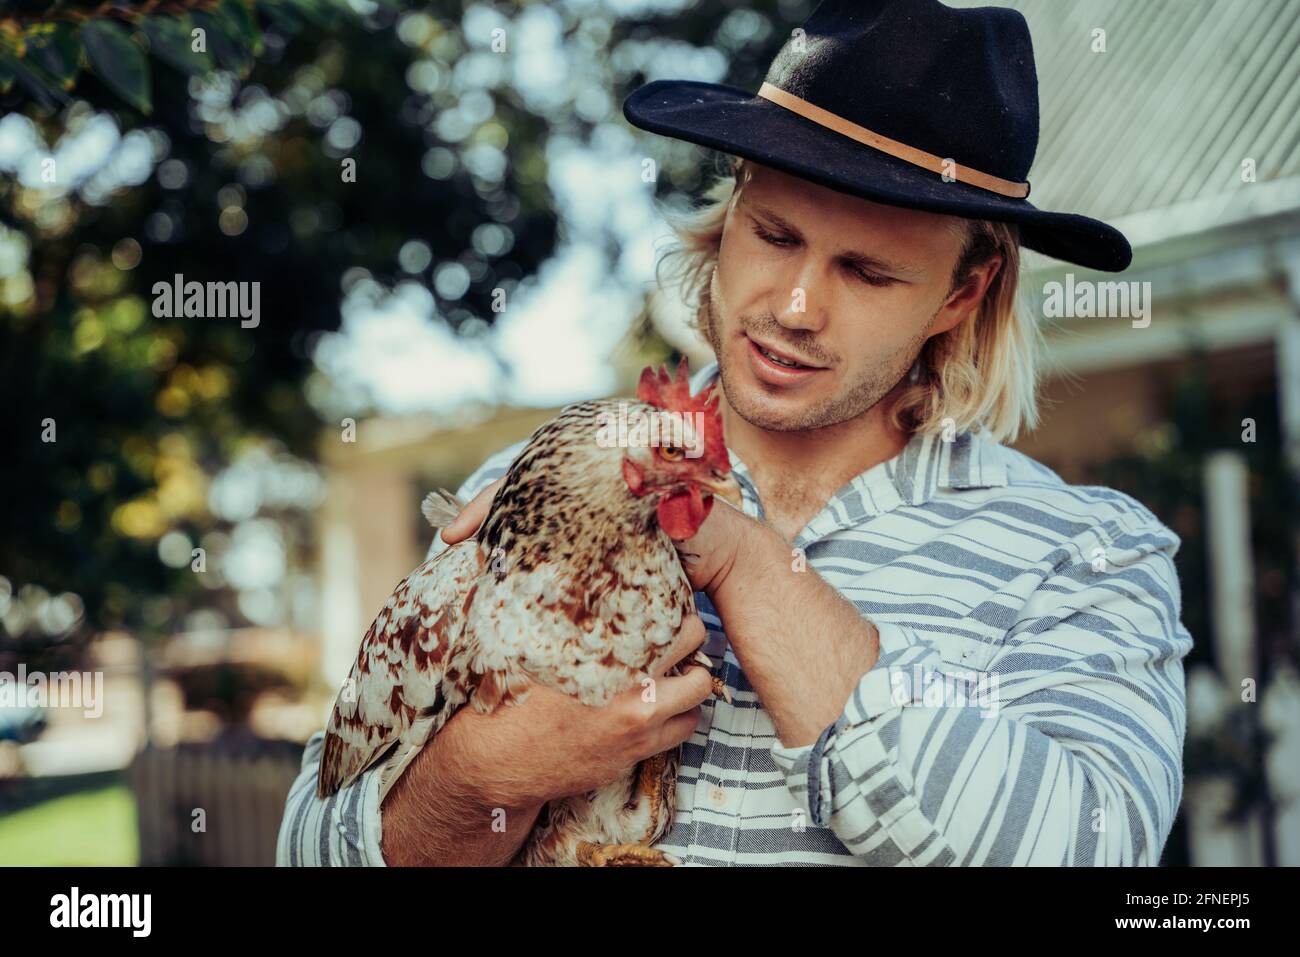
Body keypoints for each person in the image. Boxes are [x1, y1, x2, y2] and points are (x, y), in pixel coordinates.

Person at [278, 0, 1191, 866]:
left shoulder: (1086, 555)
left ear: (963, 291)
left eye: (867, 273)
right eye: (776, 235)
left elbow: (1091, 847)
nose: (795, 307)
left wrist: (742, 559)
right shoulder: (525, 493)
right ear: (734, 206)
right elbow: (313, 848)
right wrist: (490, 773)